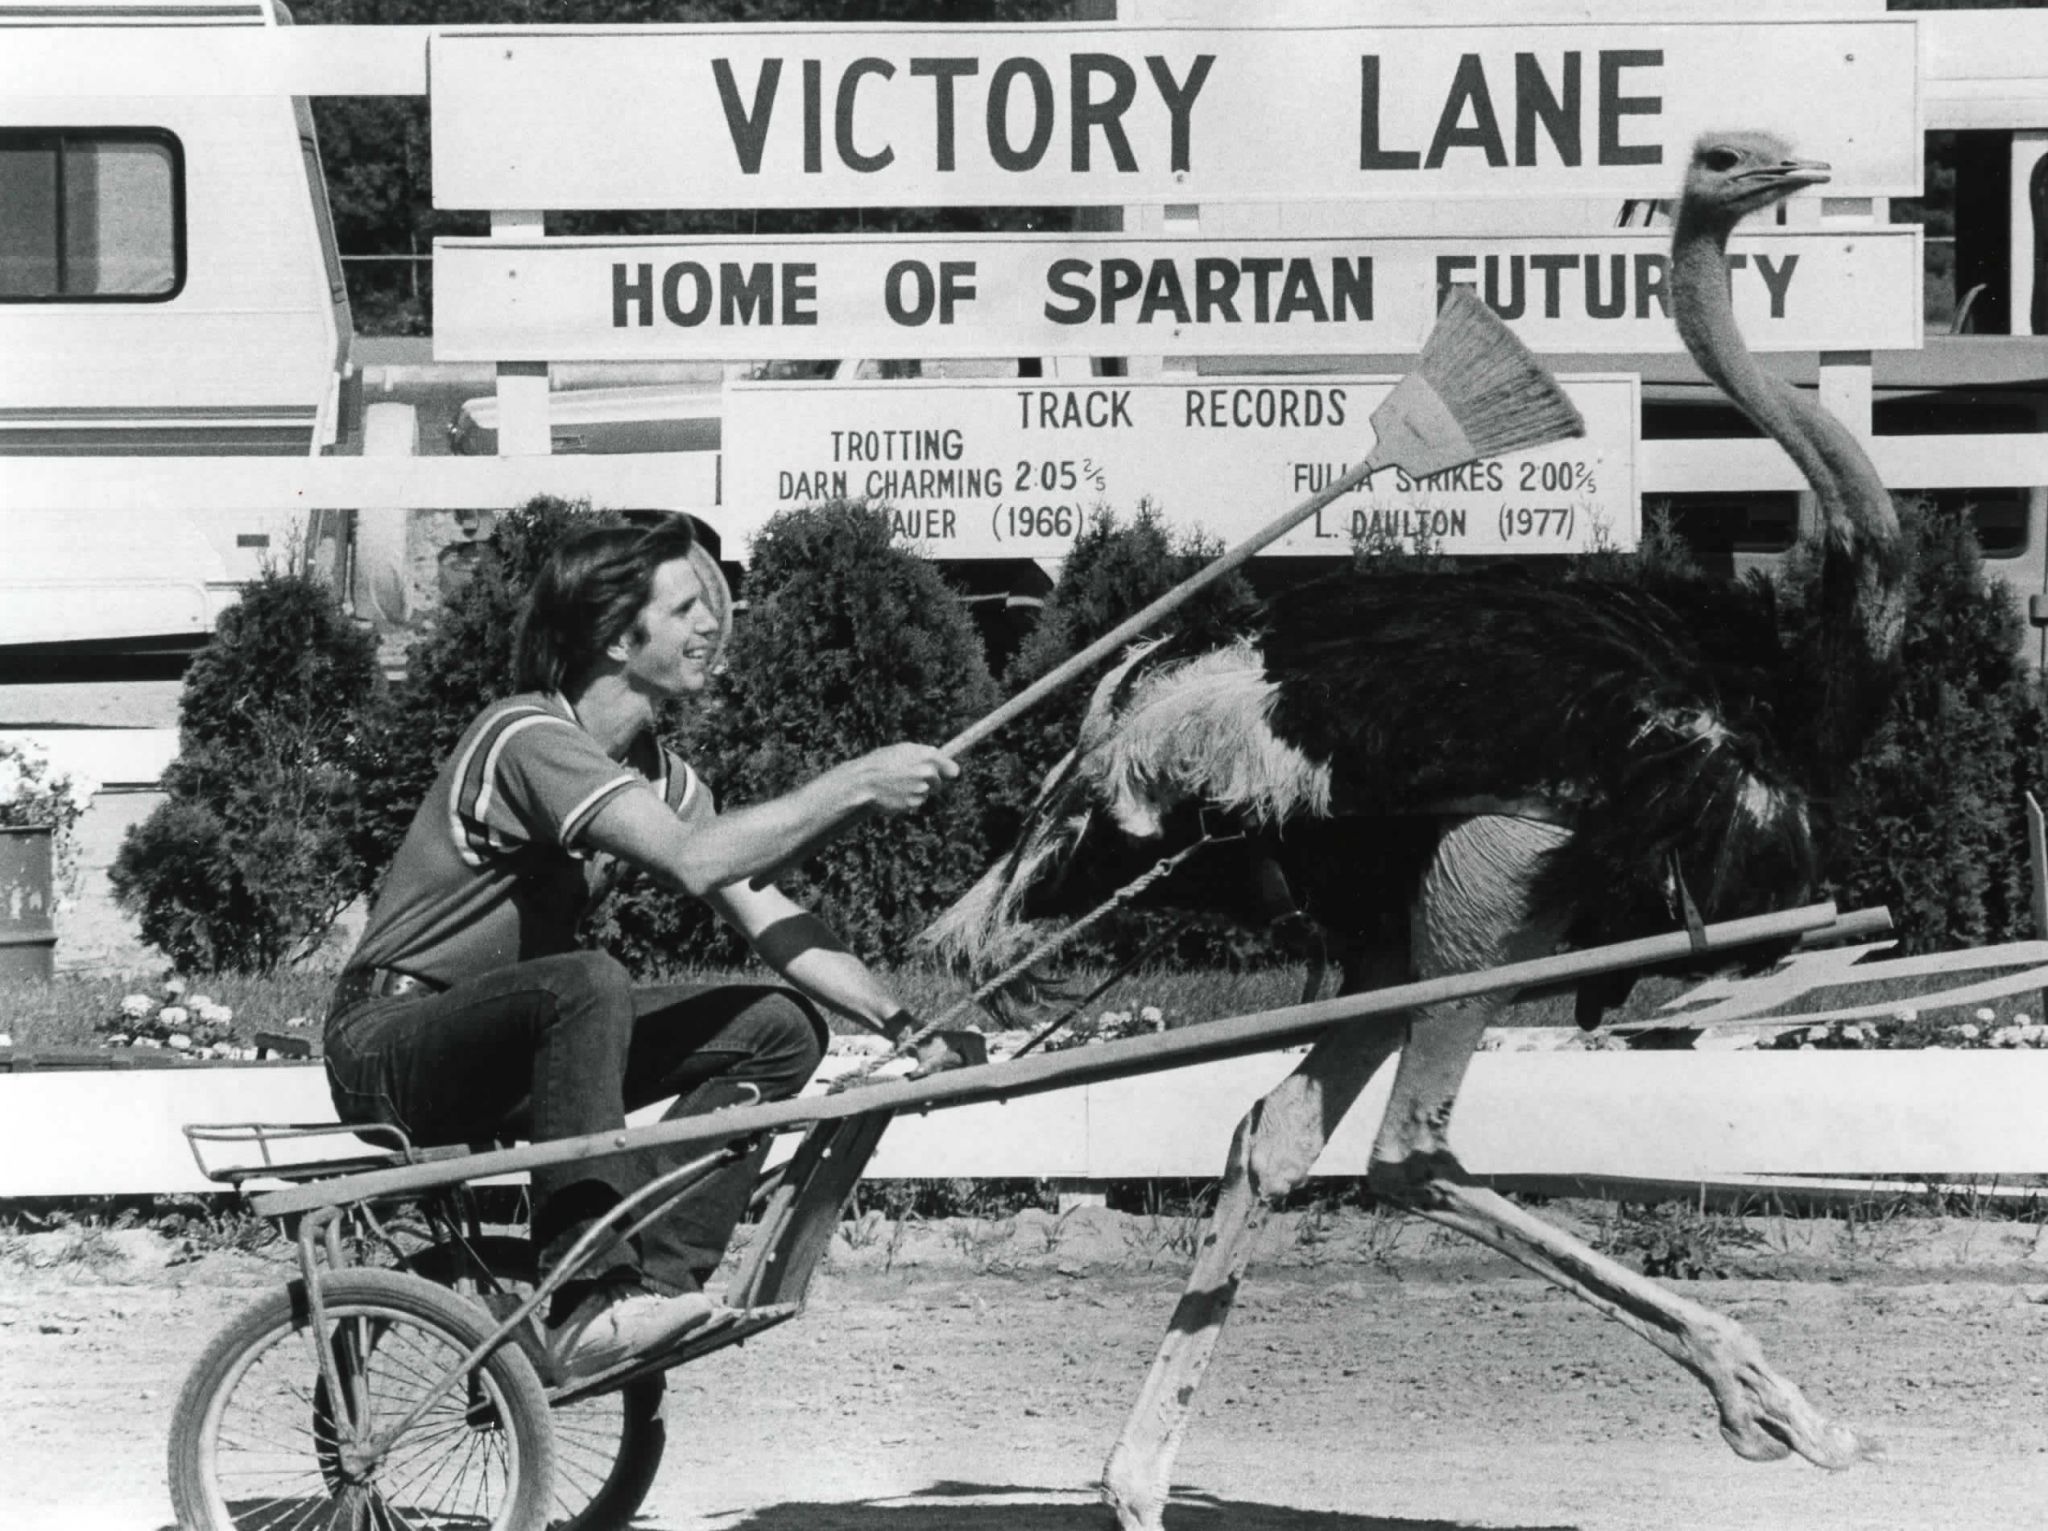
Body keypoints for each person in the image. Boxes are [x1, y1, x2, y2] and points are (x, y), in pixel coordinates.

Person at [324, 516, 965, 1382]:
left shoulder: (664, 778)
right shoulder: (527, 738)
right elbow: (698, 862)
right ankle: (590, 1295)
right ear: (620, 637)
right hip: (389, 1042)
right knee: (590, 982)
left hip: (513, 1050)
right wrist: (855, 783)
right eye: (688, 608)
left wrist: (902, 1020)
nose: (714, 626)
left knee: (779, 1023)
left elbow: (765, 911)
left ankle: (655, 1272)